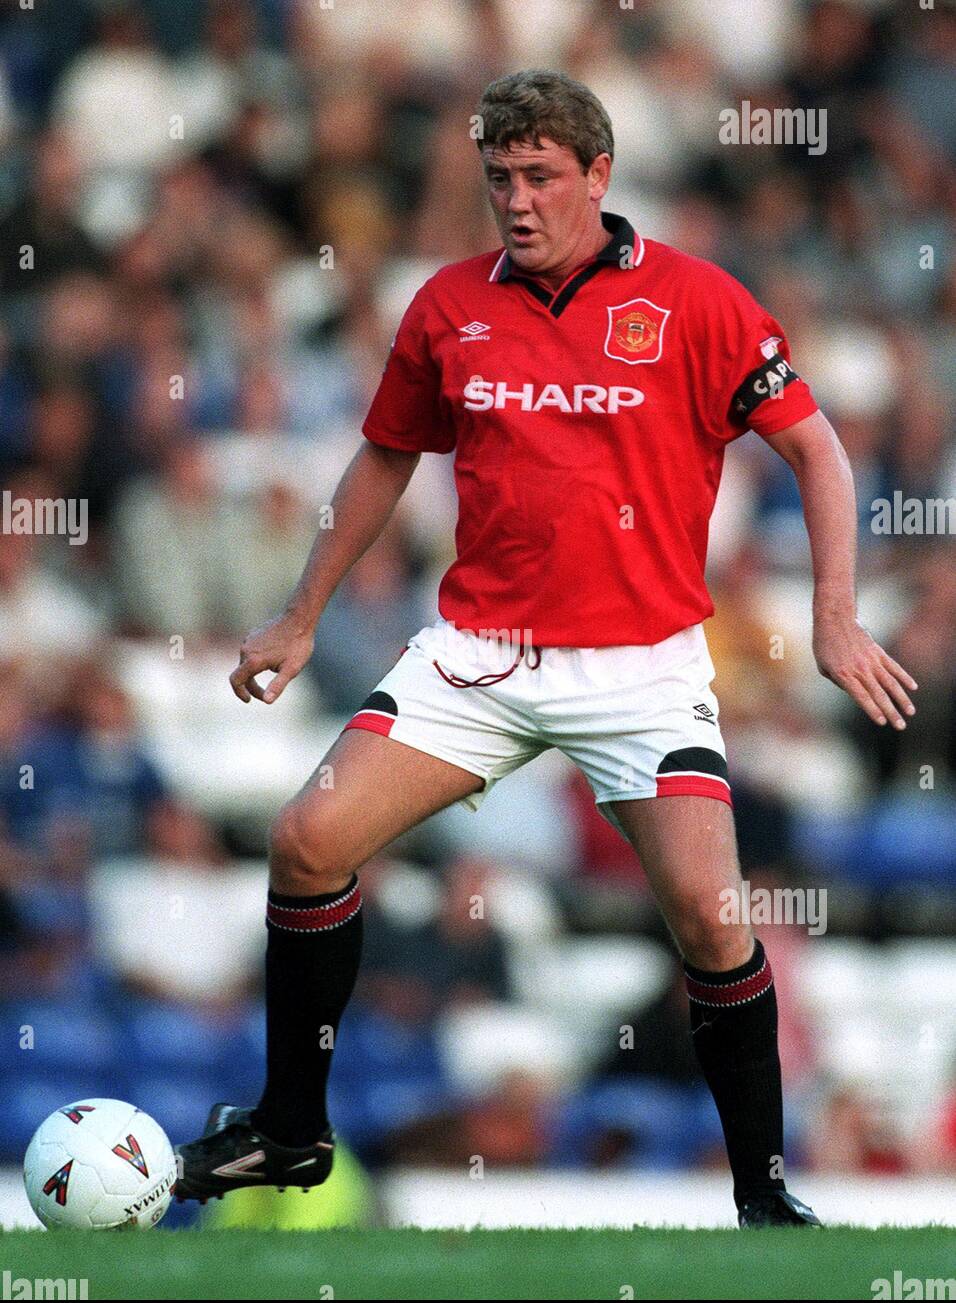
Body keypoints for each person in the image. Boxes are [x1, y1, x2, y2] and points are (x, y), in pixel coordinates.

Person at [174, 70, 916, 1226]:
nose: (516, 202)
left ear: (597, 176)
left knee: (715, 919)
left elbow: (818, 451)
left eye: (538, 177)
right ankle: (289, 1128)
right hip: (478, 652)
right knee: (307, 839)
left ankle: (764, 1196)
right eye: (498, 179)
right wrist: (302, 608)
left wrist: (831, 617)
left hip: (643, 665)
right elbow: (383, 457)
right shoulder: (446, 306)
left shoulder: (697, 301)